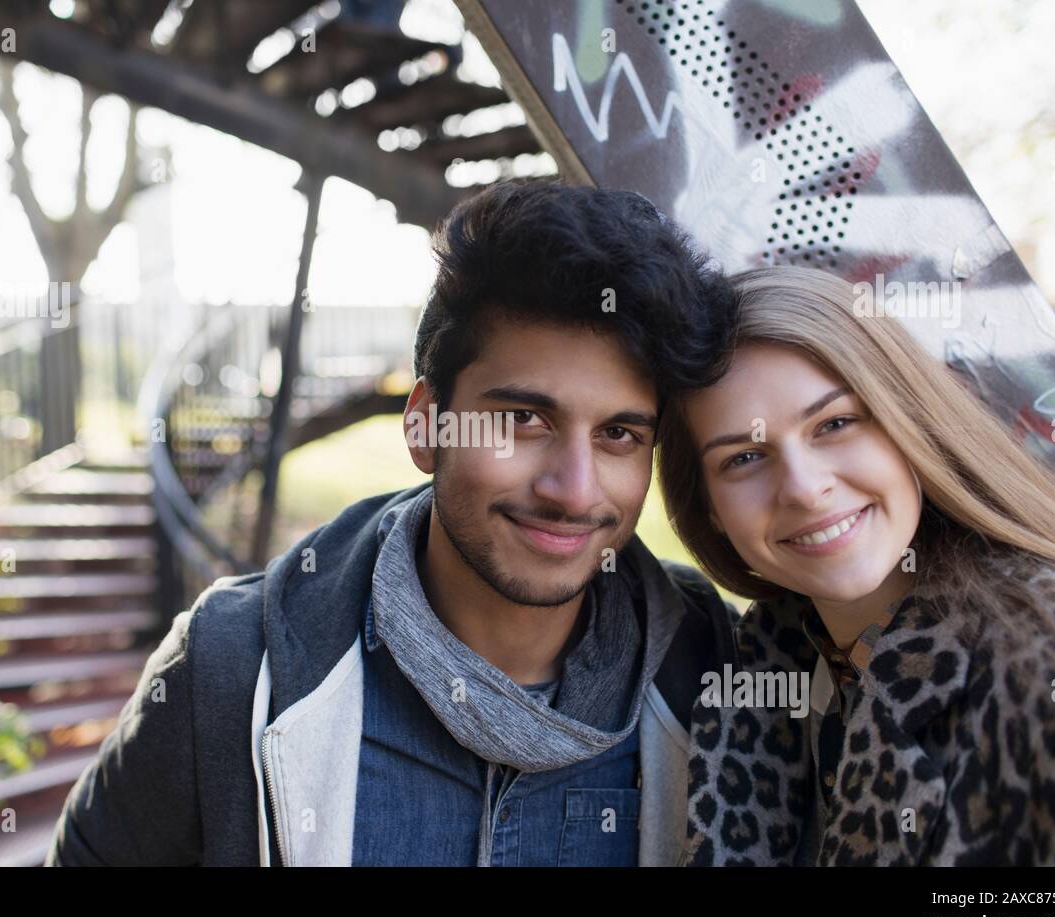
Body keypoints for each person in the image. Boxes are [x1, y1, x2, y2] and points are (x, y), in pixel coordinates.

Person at [47, 180, 741, 866]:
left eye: (619, 433)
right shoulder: (232, 667)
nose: (573, 490)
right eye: (523, 419)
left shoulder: (707, 663)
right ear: (424, 424)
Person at [659, 264, 1055, 866]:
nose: (804, 487)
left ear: (910, 426)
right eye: (743, 457)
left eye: (836, 423)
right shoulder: (765, 671)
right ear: (709, 510)